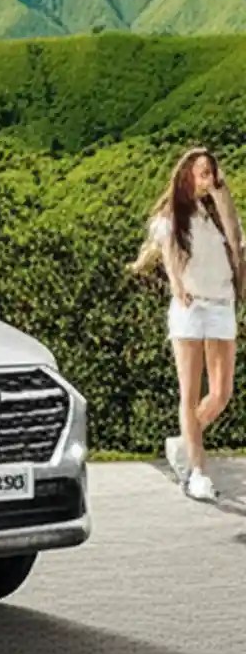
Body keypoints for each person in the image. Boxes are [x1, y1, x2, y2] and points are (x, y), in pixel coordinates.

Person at [131, 147, 243, 501]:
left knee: (222, 393)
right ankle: (197, 472)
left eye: (211, 171)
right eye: (201, 172)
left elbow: (237, 241)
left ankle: (182, 442)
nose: (207, 177)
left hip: (221, 304)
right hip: (190, 309)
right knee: (190, 392)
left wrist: (221, 195)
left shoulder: (215, 211)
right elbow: (168, 258)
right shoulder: (171, 216)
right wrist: (178, 287)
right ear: (185, 176)